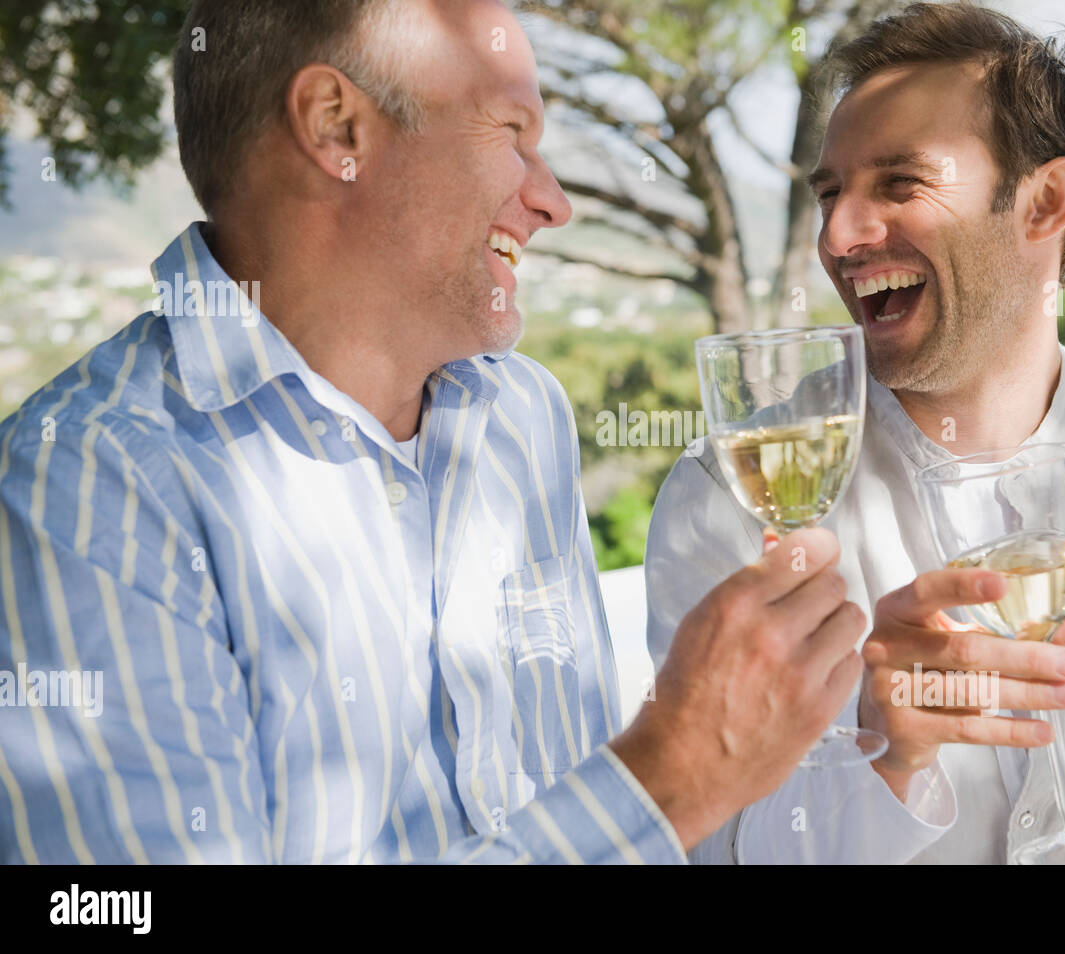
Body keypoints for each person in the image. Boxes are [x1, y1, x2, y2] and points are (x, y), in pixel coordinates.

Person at [0, 0, 871, 864]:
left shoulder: (524, 417)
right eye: (511, 133)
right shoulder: (86, 491)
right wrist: (672, 777)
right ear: (337, 128)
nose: (553, 201)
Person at [646, 1, 1065, 864]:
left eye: (899, 183)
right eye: (831, 193)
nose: (840, 236)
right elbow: (709, 849)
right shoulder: (729, 497)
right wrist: (884, 761)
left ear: (1044, 203)